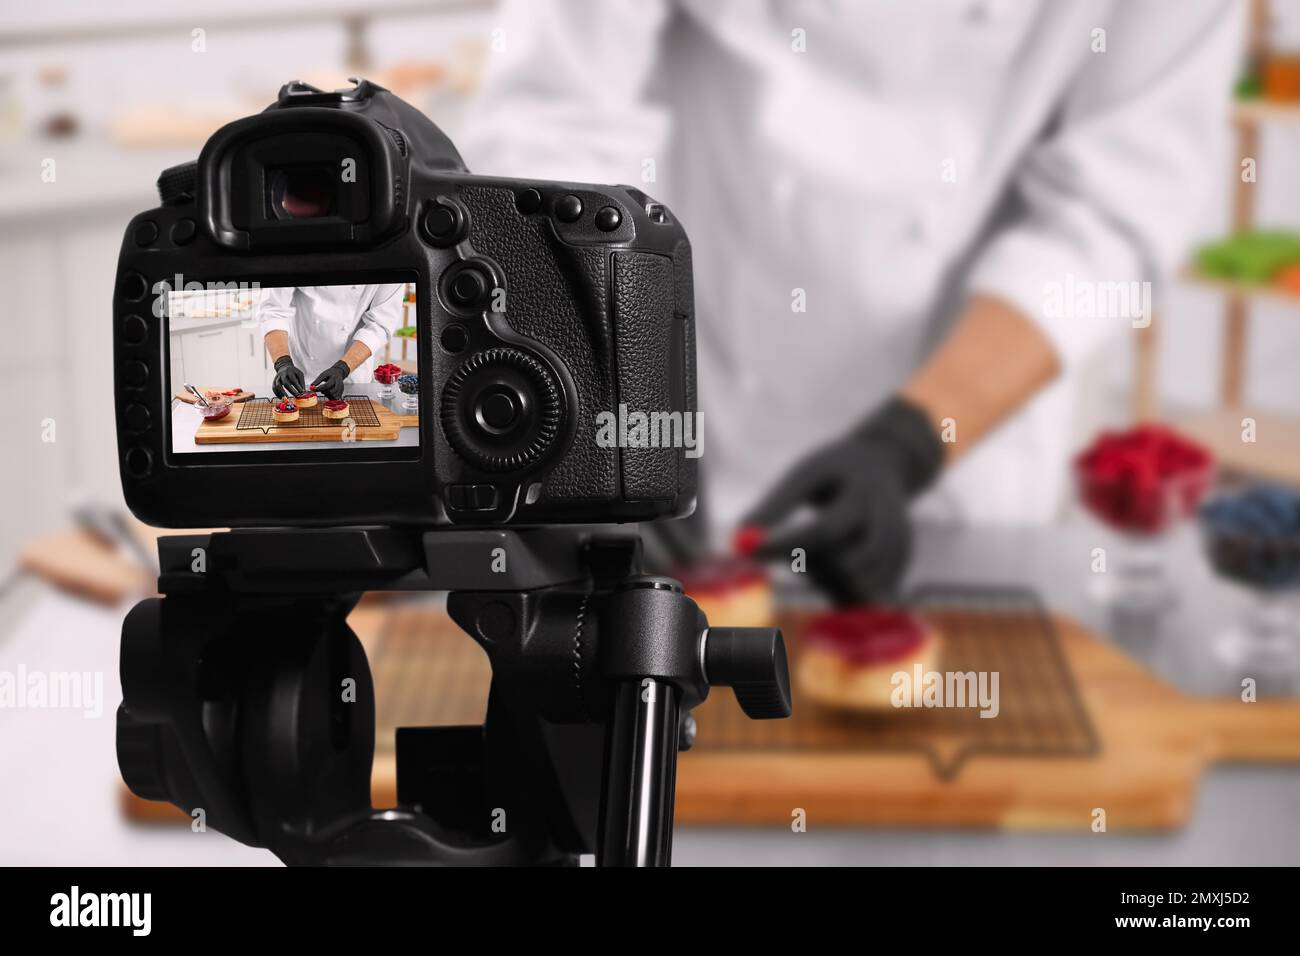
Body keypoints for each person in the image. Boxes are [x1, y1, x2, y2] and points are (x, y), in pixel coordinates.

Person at [457, 0, 1242, 602]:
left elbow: (1114, 204)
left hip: (962, 446)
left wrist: (905, 445)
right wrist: (611, 401)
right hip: (700, 380)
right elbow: (551, 116)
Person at [258, 284, 404, 399]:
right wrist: (282, 362)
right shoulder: (290, 249)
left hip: (352, 376)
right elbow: (273, 310)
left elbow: (379, 324)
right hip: (300, 373)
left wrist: (343, 368)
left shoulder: (388, 254)